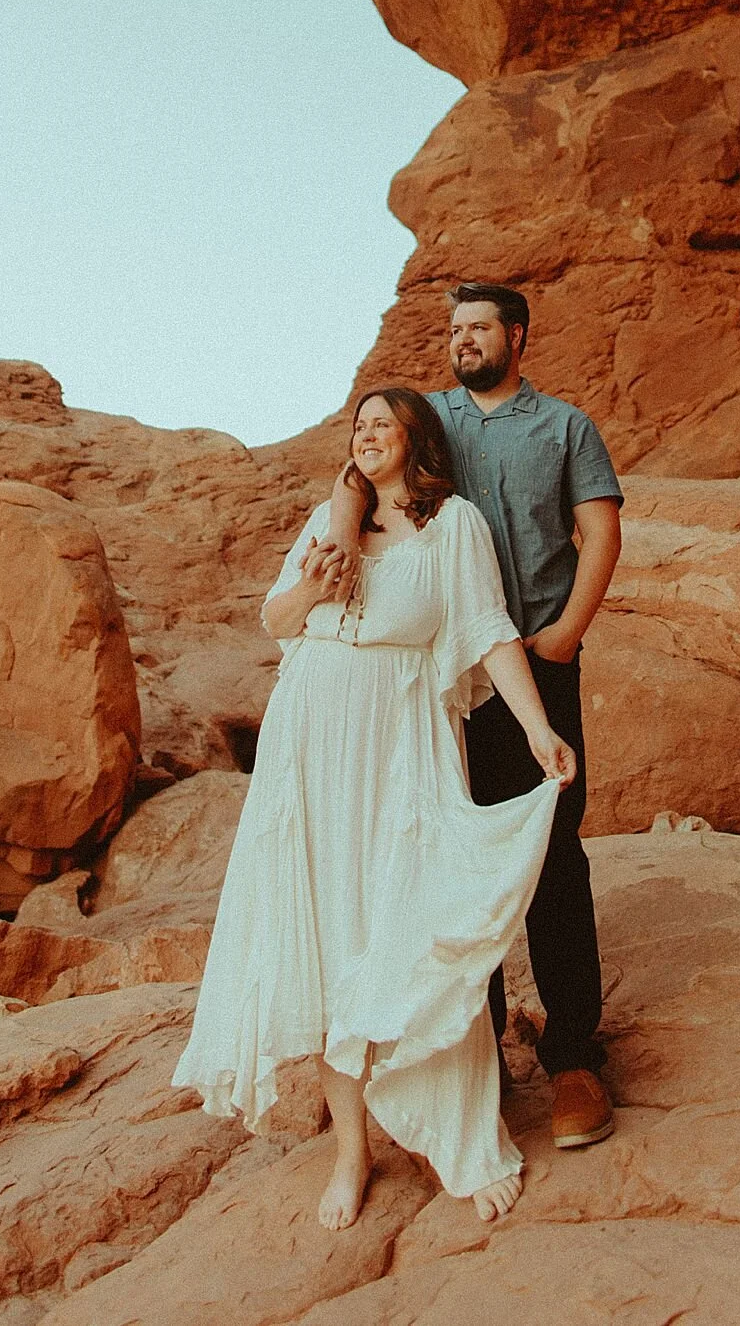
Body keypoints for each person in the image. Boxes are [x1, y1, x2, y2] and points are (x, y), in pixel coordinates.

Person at [173, 385, 577, 1230]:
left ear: (415, 441)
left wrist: (537, 726)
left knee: (409, 921)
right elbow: (275, 619)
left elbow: (488, 631)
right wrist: (316, 588)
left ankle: (465, 1134)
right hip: (310, 740)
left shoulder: (452, 525)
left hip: (399, 741)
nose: (366, 437)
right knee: (326, 935)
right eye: (358, 426)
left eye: (382, 425)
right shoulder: (331, 521)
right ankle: (351, 1151)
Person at [312, 282, 622, 1150]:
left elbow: (599, 532)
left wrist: (562, 636)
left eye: (479, 329)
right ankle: (470, 1062)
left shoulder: (563, 428)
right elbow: (355, 476)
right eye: (453, 331)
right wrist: (340, 535)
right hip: (437, 684)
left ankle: (572, 1060)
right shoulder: (429, 421)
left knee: (551, 859)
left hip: (530, 667)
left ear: (515, 337)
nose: (463, 342)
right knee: (446, 861)